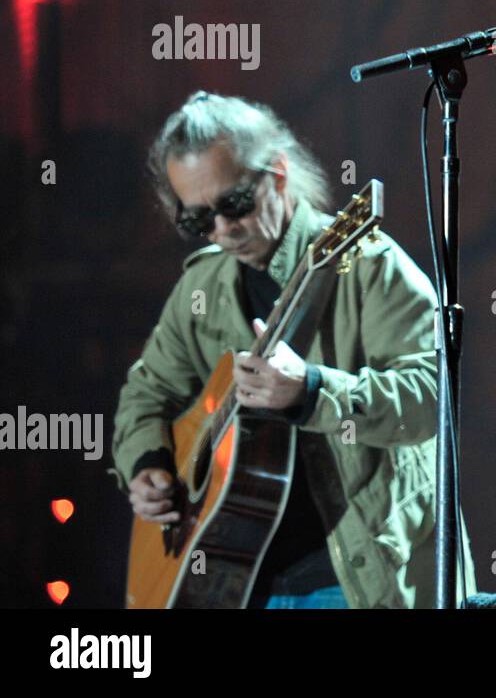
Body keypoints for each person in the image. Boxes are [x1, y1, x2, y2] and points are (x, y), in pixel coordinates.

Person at [111, 91, 475, 608]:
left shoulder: (367, 264)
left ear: (277, 174)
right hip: (239, 586)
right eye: (197, 220)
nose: (221, 229)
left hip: (358, 579)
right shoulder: (204, 287)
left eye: (234, 204)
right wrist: (147, 462)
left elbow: (436, 398)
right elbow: (146, 392)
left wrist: (312, 390)